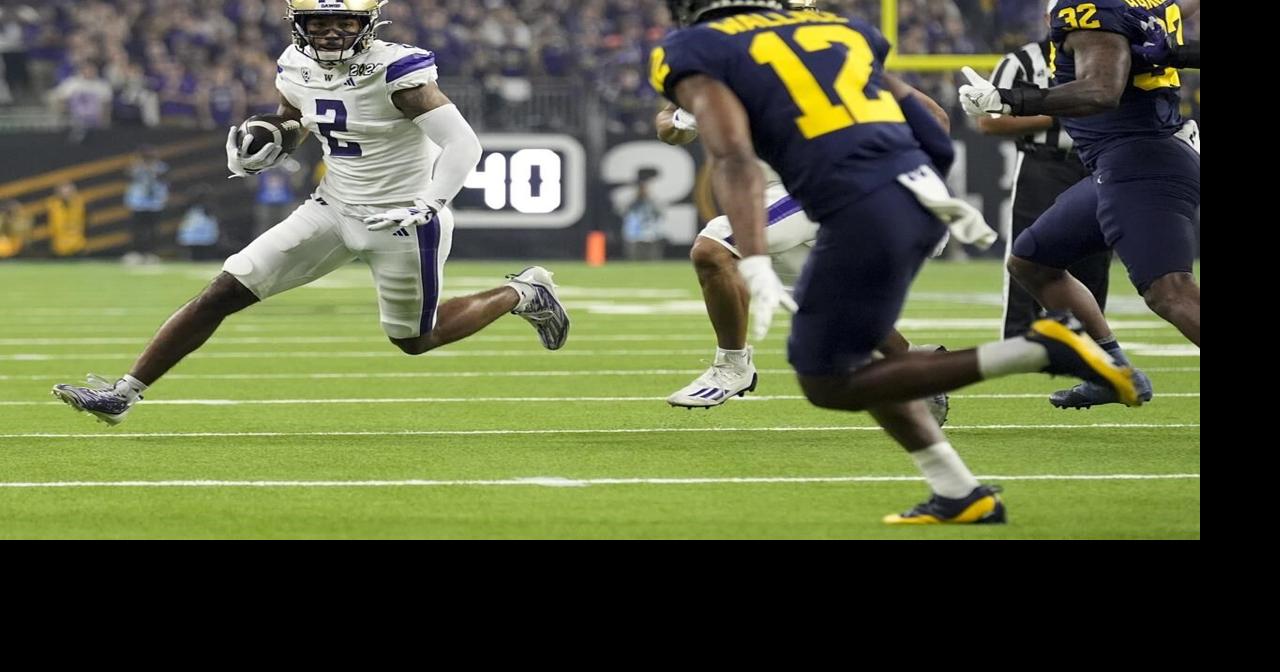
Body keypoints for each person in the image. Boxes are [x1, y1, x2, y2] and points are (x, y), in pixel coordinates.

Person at [653, 0, 1137, 524]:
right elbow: (929, 117)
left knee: (717, 252)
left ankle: (1039, 348)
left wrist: (750, 256)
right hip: (887, 189)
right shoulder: (835, 38)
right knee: (858, 353)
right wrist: (932, 182)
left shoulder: (706, 49)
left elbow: (733, 160)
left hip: (830, 189)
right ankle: (957, 488)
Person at [53, 0, 570, 426]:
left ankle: (523, 292)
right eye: (318, 22)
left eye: (344, 22)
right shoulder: (293, 65)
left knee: (416, 339)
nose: (330, 32)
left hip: (402, 219)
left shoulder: (397, 71)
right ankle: (123, 393)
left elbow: (462, 143)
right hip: (333, 207)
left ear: (368, 24)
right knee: (223, 291)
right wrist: (266, 149)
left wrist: (432, 200)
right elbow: (296, 120)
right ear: (298, 24)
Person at [960, 0, 1199, 409]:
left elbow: (1101, 91)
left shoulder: (1089, 7)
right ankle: (1110, 371)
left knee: (1169, 292)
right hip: (1123, 161)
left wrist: (1010, 99)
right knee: (1032, 261)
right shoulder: (1142, 4)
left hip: (1140, 160)